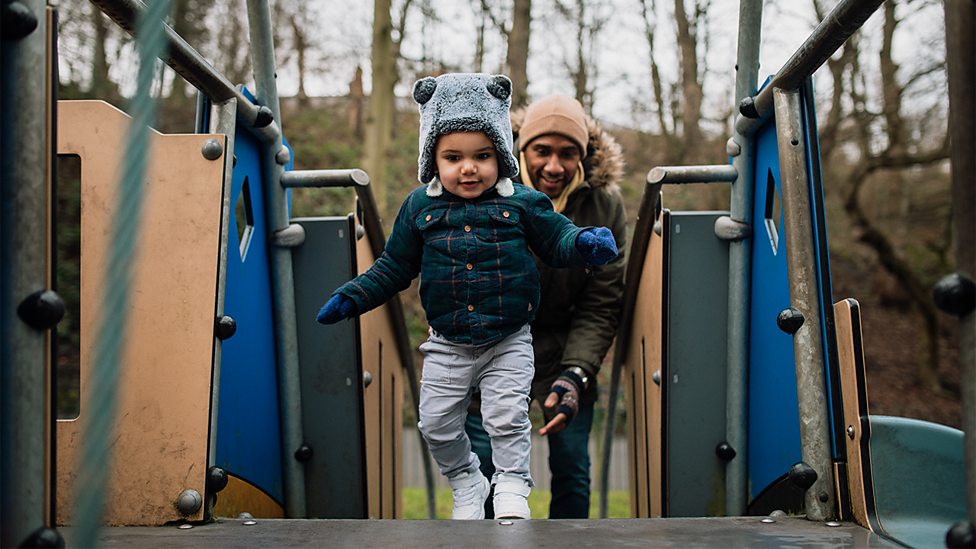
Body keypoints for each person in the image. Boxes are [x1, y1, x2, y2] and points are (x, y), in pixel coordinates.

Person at [315, 74, 619, 520]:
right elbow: (395, 265)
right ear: (433, 159)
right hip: (452, 338)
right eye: (453, 158)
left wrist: (584, 244)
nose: (469, 168)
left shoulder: (526, 203)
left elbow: (562, 244)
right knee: (437, 423)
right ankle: (467, 480)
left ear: (500, 157)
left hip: (519, 338)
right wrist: (354, 295)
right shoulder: (421, 208)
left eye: (482, 156)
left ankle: (514, 485)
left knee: (518, 427)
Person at [465, 94, 627, 519]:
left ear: (583, 156)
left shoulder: (603, 205)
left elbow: (601, 302)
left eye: (567, 153)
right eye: (542, 151)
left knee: (572, 470)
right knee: (483, 470)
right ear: (521, 150)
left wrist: (577, 374)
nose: (554, 166)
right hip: (491, 345)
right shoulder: (484, 190)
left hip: (564, 348)